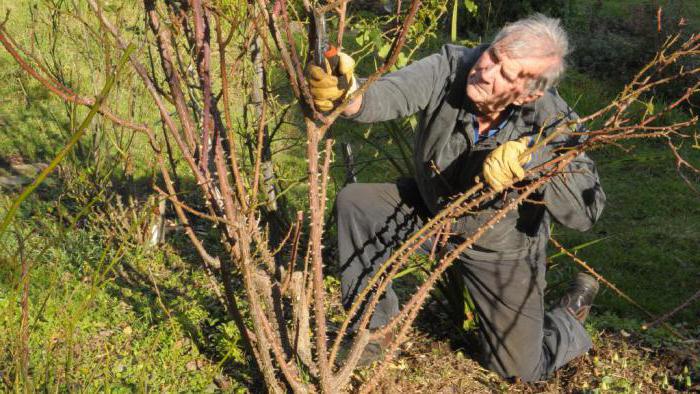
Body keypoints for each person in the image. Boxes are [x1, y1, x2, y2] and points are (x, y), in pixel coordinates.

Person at [306, 14, 605, 382]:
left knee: (520, 373)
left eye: (506, 74)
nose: (486, 70)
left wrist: (534, 158)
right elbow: (390, 94)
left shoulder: (553, 122)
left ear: (530, 94)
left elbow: (585, 213)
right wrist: (349, 97)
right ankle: (372, 332)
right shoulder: (452, 66)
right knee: (358, 203)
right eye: (493, 56)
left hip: (500, 248)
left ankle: (568, 319)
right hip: (432, 212)